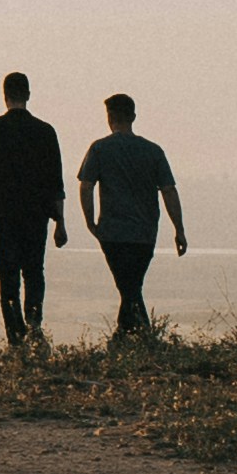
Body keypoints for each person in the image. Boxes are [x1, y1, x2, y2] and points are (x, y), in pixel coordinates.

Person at [0, 72, 67, 351]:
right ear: (28, 95)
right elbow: (56, 183)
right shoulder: (45, 132)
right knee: (34, 271)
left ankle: (15, 338)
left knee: (7, 275)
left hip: (2, 214)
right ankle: (34, 325)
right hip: (36, 215)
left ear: (4, 95)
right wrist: (61, 222)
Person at [79, 92, 188, 335]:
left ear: (109, 117)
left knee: (129, 288)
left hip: (112, 232)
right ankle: (133, 337)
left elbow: (86, 186)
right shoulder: (153, 151)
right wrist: (179, 229)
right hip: (144, 233)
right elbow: (169, 190)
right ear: (133, 117)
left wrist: (90, 221)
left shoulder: (99, 148)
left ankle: (132, 337)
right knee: (131, 286)